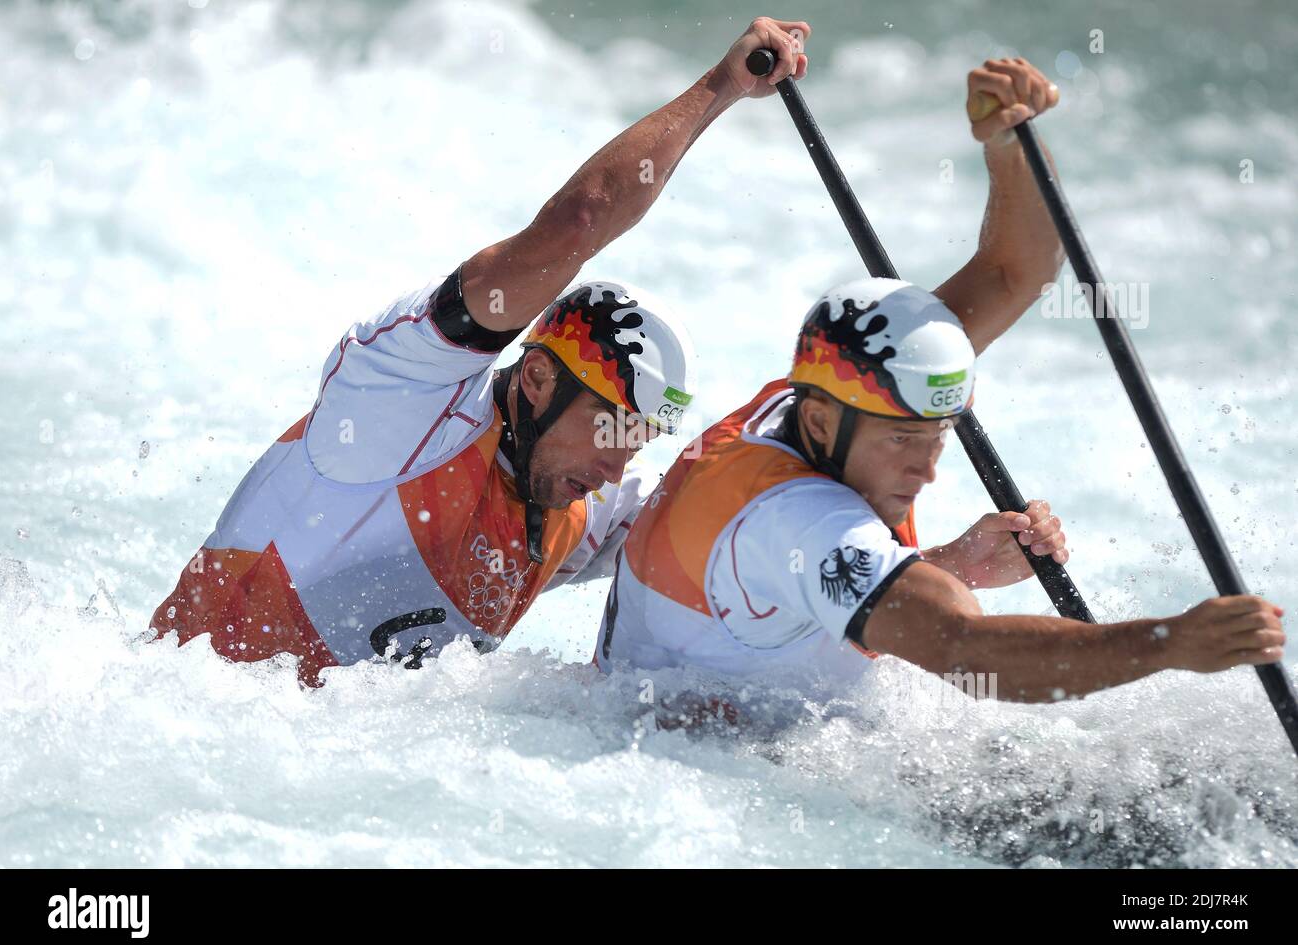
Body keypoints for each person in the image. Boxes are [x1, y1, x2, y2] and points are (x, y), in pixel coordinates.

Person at [149, 17, 817, 686]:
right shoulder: (404, 401)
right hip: (174, 717)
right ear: (536, 376)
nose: (616, 470)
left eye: (636, 441)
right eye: (611, 428)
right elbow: (574, 225)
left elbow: (761, 510)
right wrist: (723, 86)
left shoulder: (578, 506)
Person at [596, 67, 1286, 702]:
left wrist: (1012, 148)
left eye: (939, 435)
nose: (926, 470)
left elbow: (1013, 274)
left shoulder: (848, 378)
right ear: (819, 424)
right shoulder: (787, 514)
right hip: (698, 767)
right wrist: (1169, 643)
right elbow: (965, 652)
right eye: (903, 440)